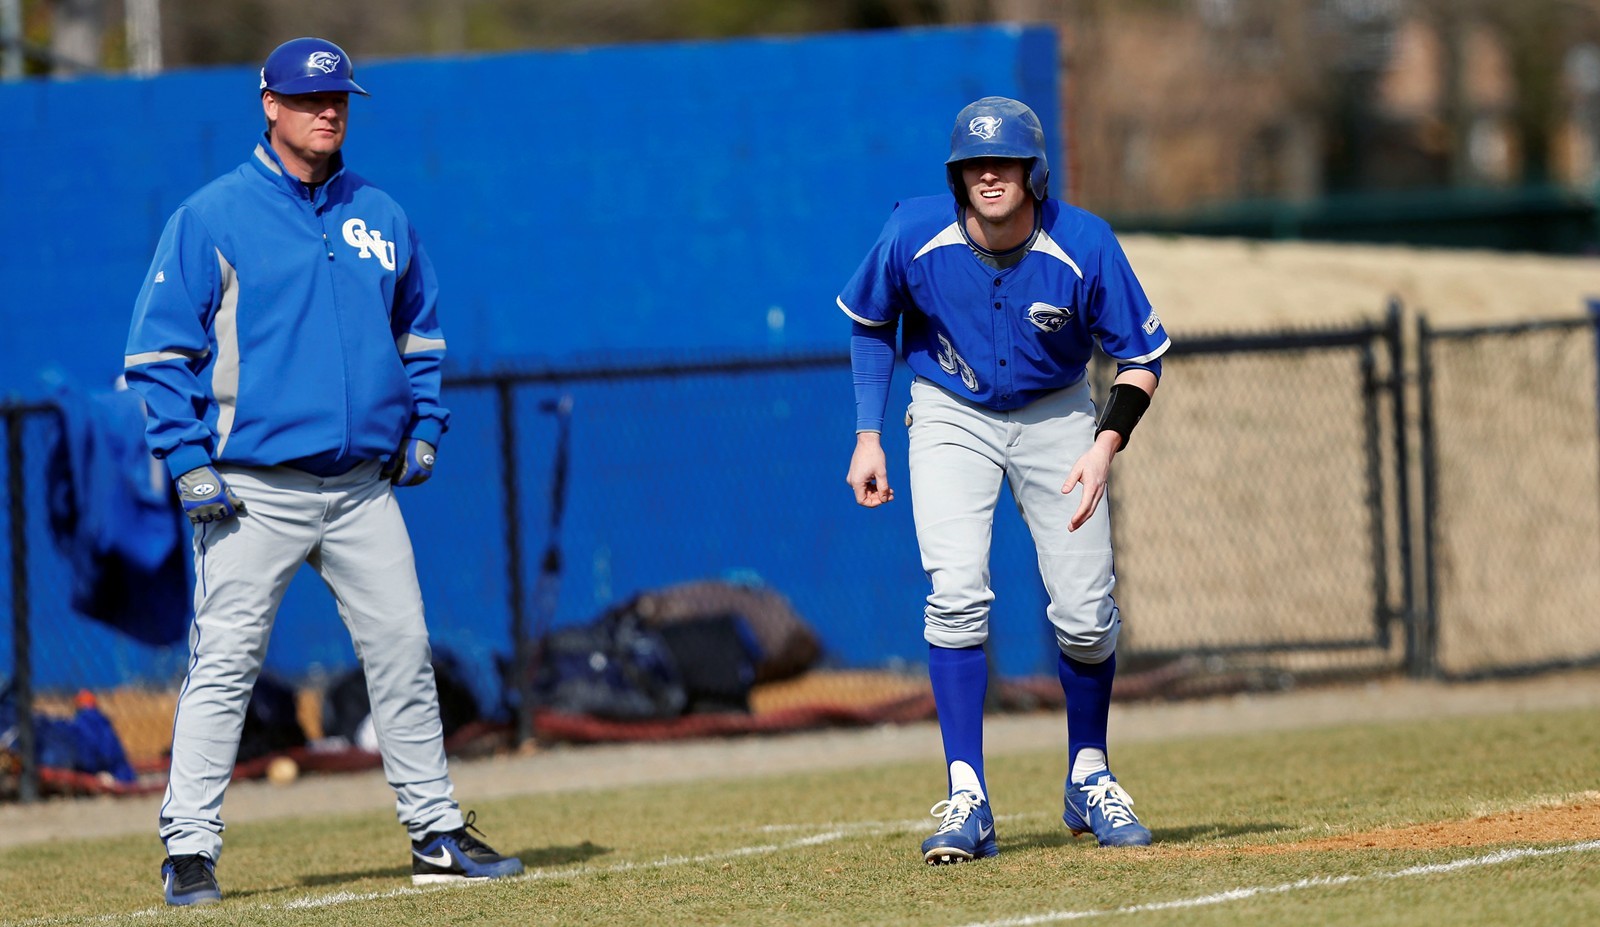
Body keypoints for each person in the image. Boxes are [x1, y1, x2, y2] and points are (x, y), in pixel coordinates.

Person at [123, 37, 524, 906]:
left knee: (405, 654)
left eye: (339, 96)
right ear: (269, 105)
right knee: (223, 665)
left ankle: (437, 833)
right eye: (309, 98)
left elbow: (422, 332)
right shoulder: (213, 215)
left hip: (358, 488)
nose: (328, 109)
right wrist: (187, 459)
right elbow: (155, 353)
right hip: (251, 488)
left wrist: (424, 421)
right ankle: (189, 848)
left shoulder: (379, 213)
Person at [838, 96, 1169, 863]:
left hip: (1060, 417)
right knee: (955, 592)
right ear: (956, 175)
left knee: (1086, 613)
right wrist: (867, 435)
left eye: (1005, 162)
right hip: (951, 409)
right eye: (973, 164)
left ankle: (1088, 775)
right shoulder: (913, 232)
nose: (989, 174)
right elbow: (869, 320)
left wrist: (1104, 444)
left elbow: (1143, 357)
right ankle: (967, 795)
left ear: (1034, 171)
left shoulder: (1084, 242)